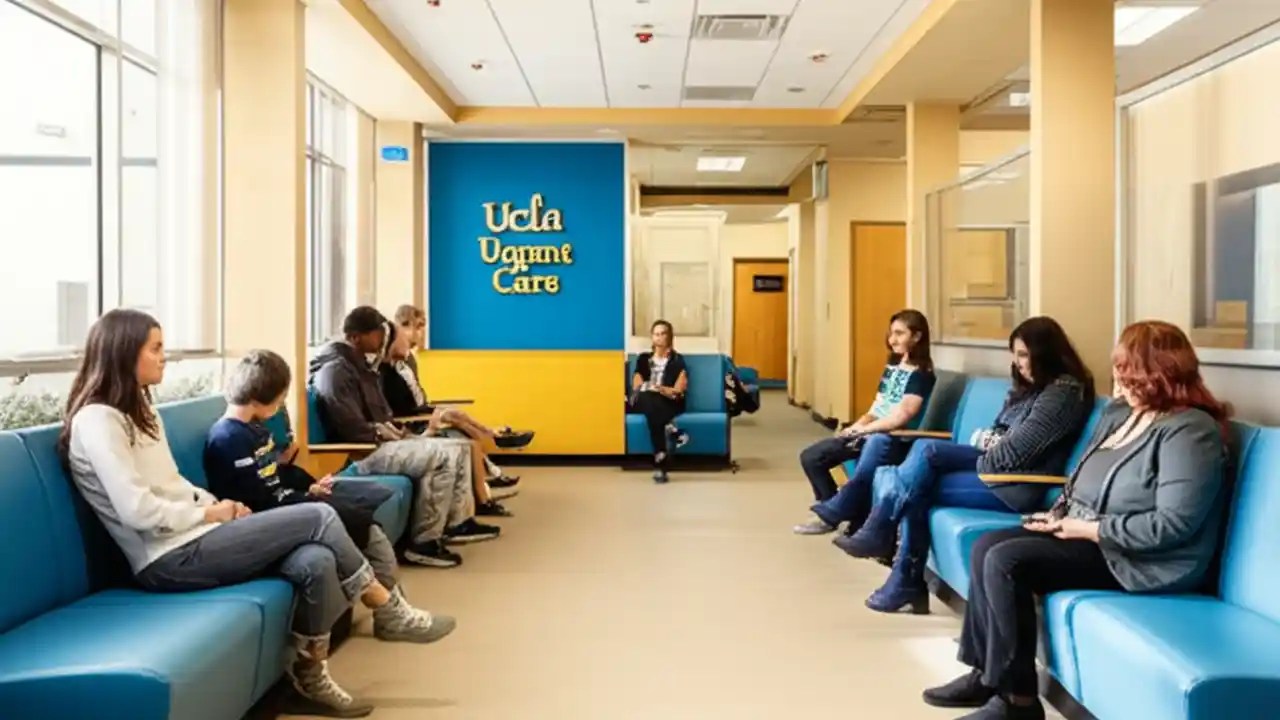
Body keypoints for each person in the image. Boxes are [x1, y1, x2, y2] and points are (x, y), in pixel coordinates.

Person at [61, 309, 453, 718]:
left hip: (194, 538)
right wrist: (210, 515)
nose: (165, 356)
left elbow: (173, 485)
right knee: (318, 517)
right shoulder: (97, 421)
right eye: (155, 348)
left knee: (316, 560)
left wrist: (218, 507)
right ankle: (384, 604)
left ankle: (310, 677)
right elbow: (137, 510)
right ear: (124, 353)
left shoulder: (141, 414)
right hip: (165, 558)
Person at [923, 321, 1230, 720]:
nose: (1118, 377)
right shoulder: (1123, 415)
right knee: (986, 546)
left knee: (1006, 561)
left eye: (1127, 369)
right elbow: (1081, 479)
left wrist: (1084, 529)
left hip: (1142, 559)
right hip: (1090, 535)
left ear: (1159, 372)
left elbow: (1173, 524)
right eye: (1118, 367)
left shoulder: (1190, 431)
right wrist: (1057, 515)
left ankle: (1017, 701)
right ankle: (986, 673)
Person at [837, 317, 1095, 614]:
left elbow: (1013, 453)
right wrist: (991, 441)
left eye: (1024, 355)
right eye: (1015, 355)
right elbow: (999, 435)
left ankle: (899, 568)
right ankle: (900, 572)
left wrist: (988, 441)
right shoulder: (1032, 388)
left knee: (918, 466)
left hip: (1017, 484)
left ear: (1045, 353)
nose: (1018, 363)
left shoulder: (1063, 392)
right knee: (910, 476)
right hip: (996, 471)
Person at [206, 349, 455, 620]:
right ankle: (392, 612)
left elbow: (272, 474)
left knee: (367, 498)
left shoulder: (255, 428)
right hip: (265, 515)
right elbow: (257, 498)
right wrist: (304, 495)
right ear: (260, 398)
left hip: (284, 500)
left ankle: (394, 606)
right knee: (361, 522)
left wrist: (308, 485)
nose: (280, 404)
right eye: (279, 399)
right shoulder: (227, 438)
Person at [309, 306, 500, 569]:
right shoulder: (335, 371)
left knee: (459, 447)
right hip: (362, 452)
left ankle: (457, 523)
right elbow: (350, 426)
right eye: (378, 334)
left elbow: (380, 413)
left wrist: (393, 429)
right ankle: (423, 542)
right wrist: (380, 431)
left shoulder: (361, 367)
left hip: (380, 442)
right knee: (442, 456)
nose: (383, 340)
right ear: (355, 337)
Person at [793, 309, 936, 534]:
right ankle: (830, 508)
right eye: (891, 333)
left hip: (895, 439)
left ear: (917, 336)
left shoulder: (921, 375)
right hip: (872, 431)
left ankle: (830, 516)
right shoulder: (893, 367)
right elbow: (878, 407)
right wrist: (856, 426)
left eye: (899, 334)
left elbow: (902, 415)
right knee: (812, 457)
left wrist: (865, 430)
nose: (892, 340)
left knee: (868, 456)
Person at [376, 317, 512, 517]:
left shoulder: (399, 369)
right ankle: (484, 492)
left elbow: (412, 402)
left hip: (417, 417)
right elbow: (398, 411)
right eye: (402, 337)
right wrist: (430, 422)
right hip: (411, 424)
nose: (408, 340)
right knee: (468, 441)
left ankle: (486, 484)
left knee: (461, 424)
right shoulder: (385, 375)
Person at [629, 319, 691, 484]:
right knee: (649, 398)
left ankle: (660, 456)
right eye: (656, 334)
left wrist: (662, 389)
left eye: (663, 333)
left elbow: (678, 390)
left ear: (669, 336)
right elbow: (637, 385)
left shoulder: (677, 360)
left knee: (655, 406)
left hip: (668, 401)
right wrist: (650, 388)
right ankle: (670, 430)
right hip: (644, 399)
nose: (659, 337)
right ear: (652, 337)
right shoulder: (643, 359)